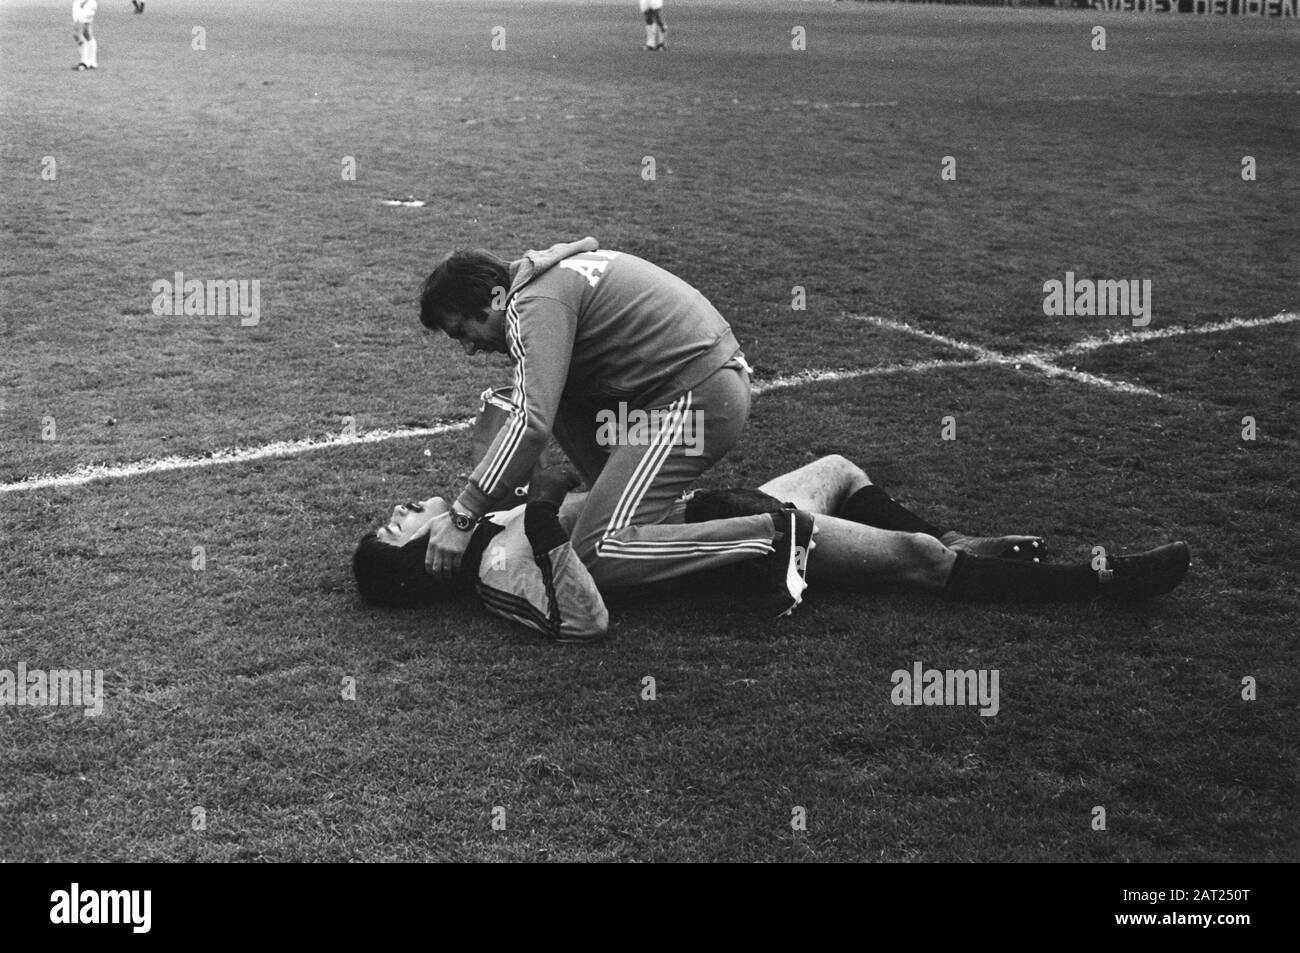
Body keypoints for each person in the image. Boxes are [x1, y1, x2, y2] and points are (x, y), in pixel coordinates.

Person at [352, 454, 1190, 642]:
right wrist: (541, 515)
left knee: (836, 467)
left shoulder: (483, 518)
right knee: (920, 567)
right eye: (397, 525)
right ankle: (1098, 579)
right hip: (749, 543)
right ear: (418, 563)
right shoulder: (499, 566)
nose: (401, 507)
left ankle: (956, 538)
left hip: (718, 505)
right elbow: (586, 618)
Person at [418, 237, 814, 613]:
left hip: (695, 400)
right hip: (693, 389)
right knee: (561, 399)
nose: (468, 348)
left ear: (494, 297)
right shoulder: (544, 285)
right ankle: (673, 529)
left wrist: (464, 514)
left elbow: (529, 422)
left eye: (462, 332)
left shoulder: (532, 304)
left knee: (596, 551)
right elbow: (556, 408)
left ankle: (773, 536)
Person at [72, 0, 97, 71]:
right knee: (87, 33)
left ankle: (84, 62)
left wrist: (85, 2)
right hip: (86, 4)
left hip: (84, 4)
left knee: (77, 33)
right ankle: (92, 62)